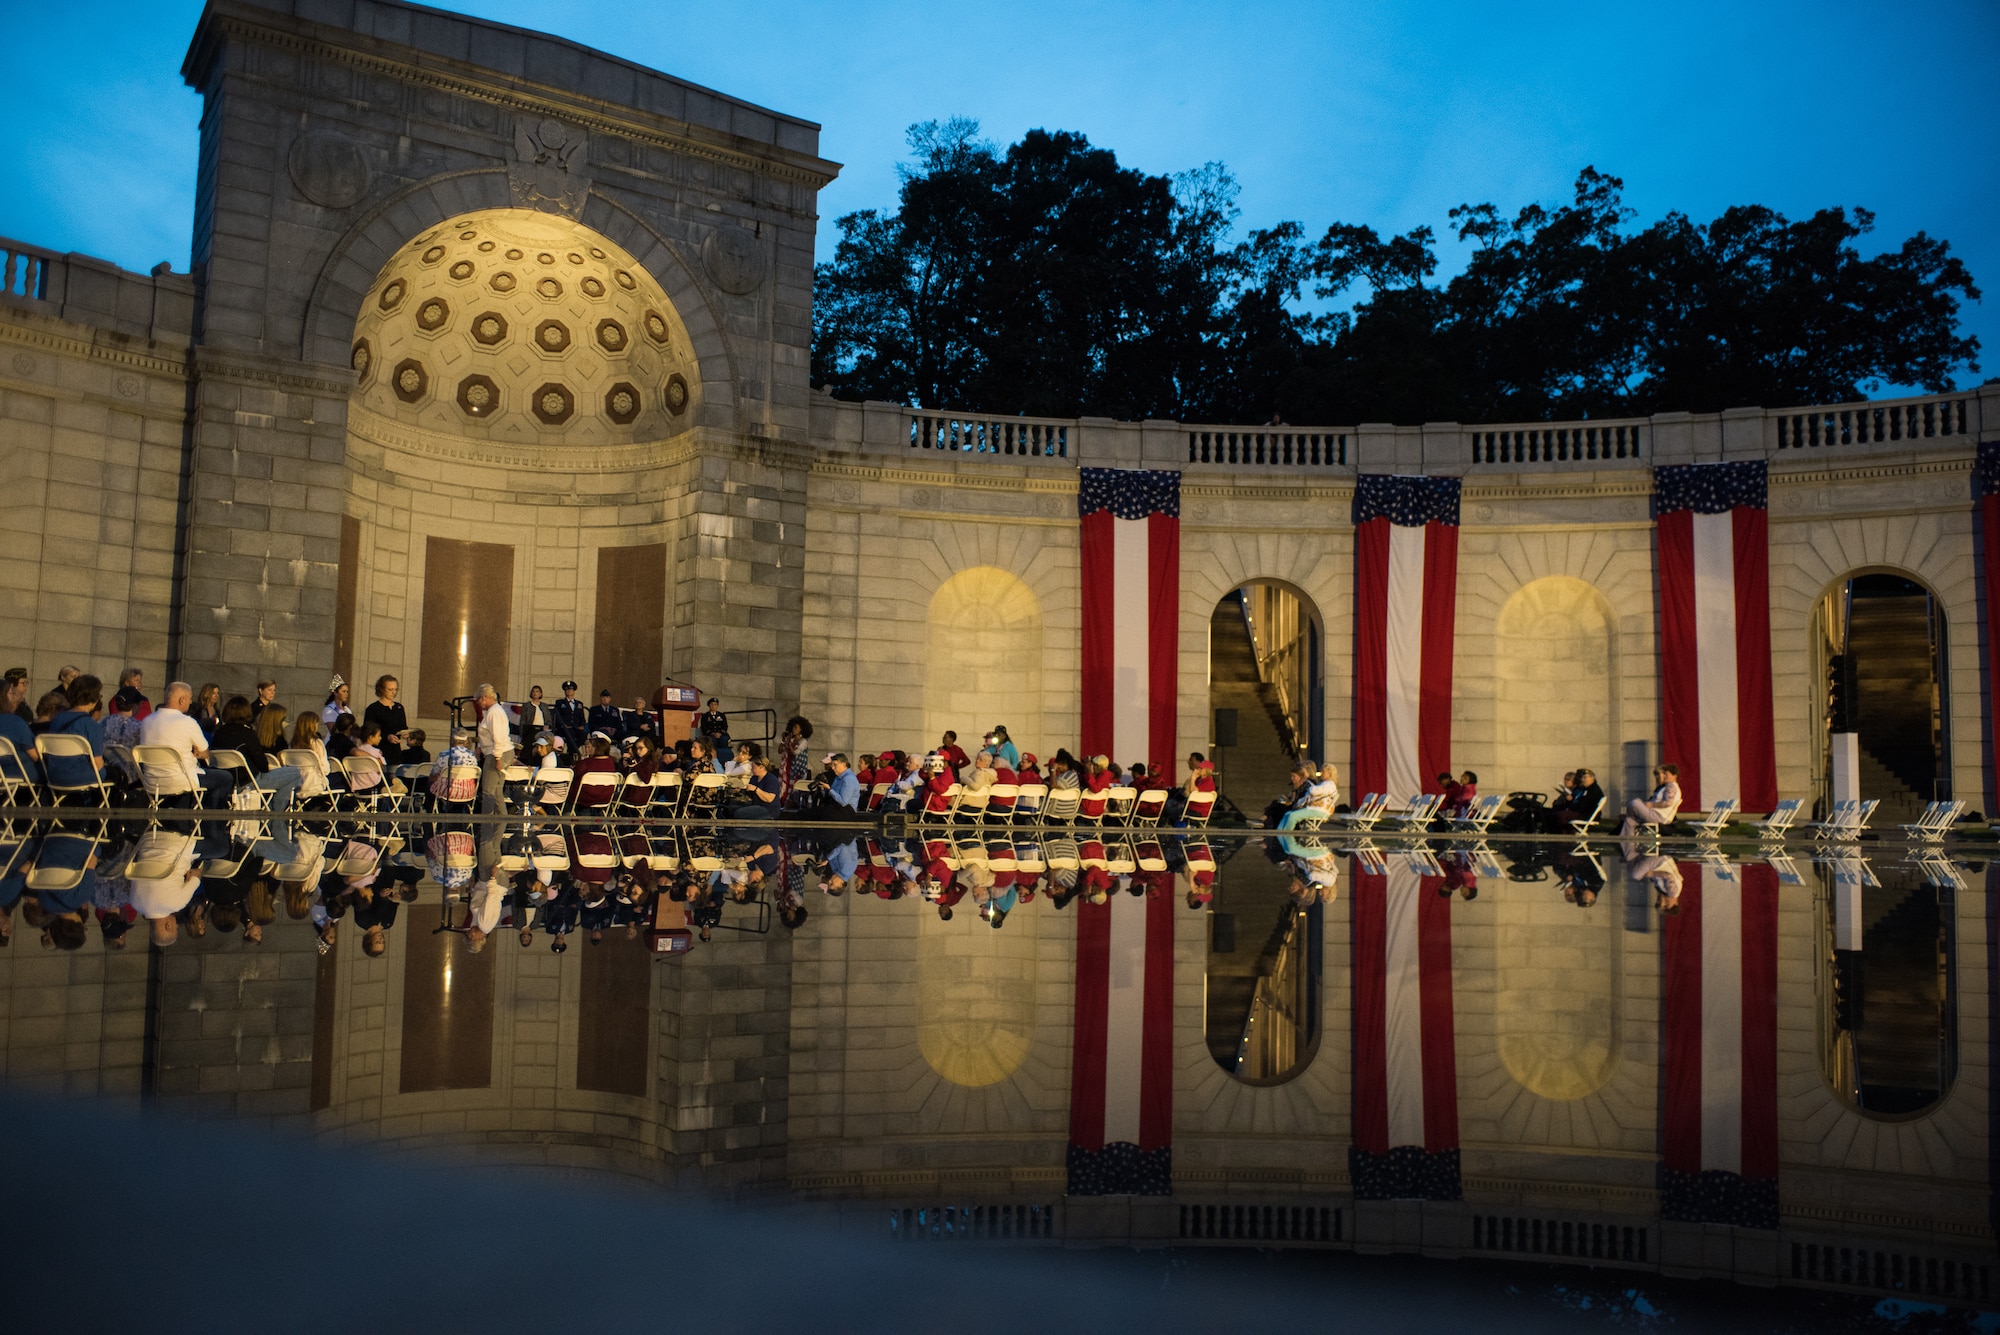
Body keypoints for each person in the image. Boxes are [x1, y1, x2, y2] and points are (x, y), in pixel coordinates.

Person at [138, 682, 231, 808]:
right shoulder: (187, 722)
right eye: (190, 698)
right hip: (182, 779)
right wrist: (196, 751)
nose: (191, 702)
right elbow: (204, 753)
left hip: (152, 781)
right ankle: (210, 819)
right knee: (225, 777)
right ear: (182, 700)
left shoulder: (146, 721)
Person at [44, 674, 107, 792]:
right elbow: (97, 764)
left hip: (54, 776)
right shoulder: (91, 725)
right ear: (94, 698)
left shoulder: (57, 719)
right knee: (116, 774)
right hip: (81, 777)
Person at [475, 683, 514, 816]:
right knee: (497, 790)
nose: (478, 703)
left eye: (479, 699)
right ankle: (502, 820)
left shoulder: (494, 713)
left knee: (488, 791)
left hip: (497, 753)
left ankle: (487, 821)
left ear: (484, 698)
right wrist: (480, 747)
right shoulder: (494, 711)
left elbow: (498, 737)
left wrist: (497, 758)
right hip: (501, 751)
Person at [0, 671, 40, 787]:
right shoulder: (14, 722)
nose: (13, 695)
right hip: (18, 773)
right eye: (10, 693)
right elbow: (35, 755)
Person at [1620, 764, 1681, 836]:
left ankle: (1629, 816)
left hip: (1659, 816)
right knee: (1629, 821)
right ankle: (1626, 841)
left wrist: (1651, 805)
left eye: (1666, 774)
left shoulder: (1671, 786)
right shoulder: (1666, 787)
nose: (1664, 776)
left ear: (1674, 776)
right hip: (1654, 814)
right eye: (1664, 774)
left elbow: (1668, 802)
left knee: (1634, 803)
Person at [363, 675, 410, 766]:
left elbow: (403, 726)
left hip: (395, 752)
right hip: (378, 750)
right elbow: (368, 731)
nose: (393, 692)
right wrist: (387, 737)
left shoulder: (399, 708)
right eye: (390, 689)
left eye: (395, 689)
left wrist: (405, 734)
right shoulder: (373, 708)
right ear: (382, 689)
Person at [1279, 761, 1339, 829]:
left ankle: (1287, 834)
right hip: (1314, 809)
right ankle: (1279, 833)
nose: (1321, 773)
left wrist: (1310, 789)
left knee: (1292, 816)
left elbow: (1313, 791)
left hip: (1319, 810)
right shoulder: (1323, 784)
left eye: (1323, 771)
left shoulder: (1330, 784)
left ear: (1330, 773)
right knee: (1287, 814)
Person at [1547, 767, 1605, 833]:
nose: (1583, 780)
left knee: (1562, 815)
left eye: (1585, 778)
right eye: (1582, 778)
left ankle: (1567, 834)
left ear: (1592, 778)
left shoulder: (1594, 790)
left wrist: (1572, 806)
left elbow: (1584, 805)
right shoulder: (1584, 789)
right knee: (1555, 814)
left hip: (1586, 815)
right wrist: (1569, 800)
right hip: (1580, 812)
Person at [725, 755, 782, 820]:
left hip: (768, 808)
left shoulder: (771, 779)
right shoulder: (754, 778)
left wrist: (756, 789)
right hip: (756, 804)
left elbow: (769, 799)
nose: (751, 769)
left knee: (739, 813)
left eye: (753, 767)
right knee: (731, 807)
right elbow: (750, 793)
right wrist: (741, 790)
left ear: (761, 767)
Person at [551, 681, 587, 754]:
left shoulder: (579, 704)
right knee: (570, 734)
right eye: (567, 689)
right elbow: (557, 716)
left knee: (583, 735)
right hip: (564, 728)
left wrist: (582, 725)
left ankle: (571, 750)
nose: (569, 691)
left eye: (571, 689)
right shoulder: (560, 702)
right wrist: (563, 725)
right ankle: (572, 752)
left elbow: (582, 717)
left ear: (574, 691)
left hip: (576, 727)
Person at [517, 683, 552, 751]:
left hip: (542, 730)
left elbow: (549, 720)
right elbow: (523, 721)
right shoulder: (526, 706)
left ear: (540, 694)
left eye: (537, 691)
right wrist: (522, 734)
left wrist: (547, 726)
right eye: (533, 691)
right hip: (530, 730)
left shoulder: (544, 706)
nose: (535, 693)